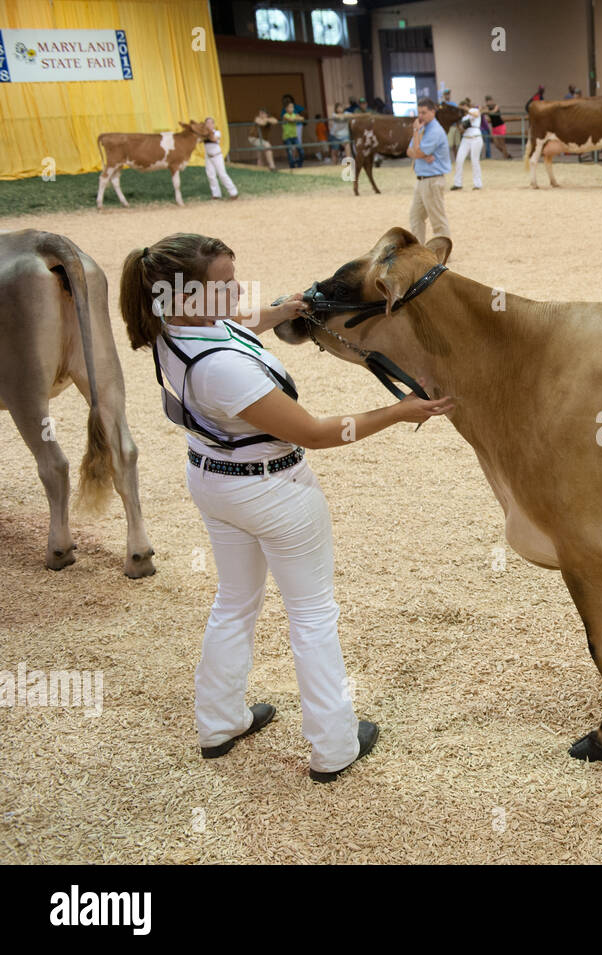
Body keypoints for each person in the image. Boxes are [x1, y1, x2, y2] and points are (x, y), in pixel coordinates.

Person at [118, 234, 454, 783]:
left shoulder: (174, 330)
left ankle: (219, 721)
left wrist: (285, 310)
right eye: (222, 285)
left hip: (214, 481)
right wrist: (398, 411)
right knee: (313, 617)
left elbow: (238, 325)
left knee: (233, 602)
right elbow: (317, 433)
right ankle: (335, 744)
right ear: (184, 295)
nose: (236, 291)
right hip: (273, 491)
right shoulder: (222, 371)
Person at [407, 96, 452, 245]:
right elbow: (410, 151)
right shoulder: (422, 130)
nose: (420, 116)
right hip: (422, 180)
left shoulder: (435, 131)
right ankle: (418, 250)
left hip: (432, 180)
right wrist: (419, 153)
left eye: (424, 112)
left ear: (433, 112)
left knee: (437, 219)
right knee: (415, 217)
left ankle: (444, 252)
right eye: (419, 112)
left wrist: (419, 153)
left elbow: (417, 152)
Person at [201, 117, 238, 200]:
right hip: (208, 156)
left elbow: (213, 138)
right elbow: (200, 139)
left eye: (211, 123)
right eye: (207, 123)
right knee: (211, 175)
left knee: (222, 174)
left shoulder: (217, 132)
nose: (209, 125)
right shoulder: (203, 134)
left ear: (213, 124)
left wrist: (206, 134)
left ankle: (233, 193)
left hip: (217, 156)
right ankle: (216, 194)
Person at [452, 104, 484, 190]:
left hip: (476, 137)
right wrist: (461, 128)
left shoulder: (474, 110)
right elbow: (462, 129)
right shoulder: (463, 117)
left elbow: (476, 115)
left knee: (474, 160)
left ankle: (478, 184)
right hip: (466, 138)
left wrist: (467, 108)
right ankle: (457, 183)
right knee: (459, 159)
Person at [280, 94, 305, 169]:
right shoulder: (285, 115)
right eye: (290, 107)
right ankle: (292, 166)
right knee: (290, 152)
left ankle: (299, 163)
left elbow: (302, 118)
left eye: (292, 107)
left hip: (294, 136)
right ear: (286, 109)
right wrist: (296, 118)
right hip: (287, 137)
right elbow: (290, 119)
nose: (292, 109)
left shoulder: (294, 114)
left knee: (300, 150)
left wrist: (297, 117)